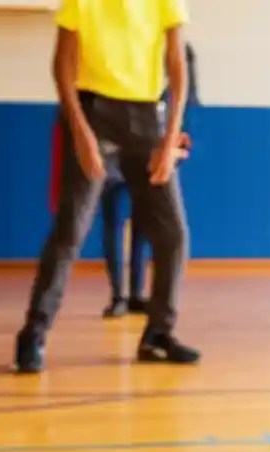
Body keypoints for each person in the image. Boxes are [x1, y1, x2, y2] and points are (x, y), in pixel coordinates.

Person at [15, 0, 198, 372]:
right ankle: (33, 333)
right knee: (71, 230)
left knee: (173, 234)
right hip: (93, 112)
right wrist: (80, 132)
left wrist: (169, 138)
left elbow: (177, 65)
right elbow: (63, 65)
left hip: (147, 118)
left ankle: (158, 335)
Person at [100, 42, 200, 319]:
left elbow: (184, 112)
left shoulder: (179, 62)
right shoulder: (125, 61)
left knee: (145, 223)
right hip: (116, 151)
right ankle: (118, 294)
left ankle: (134, 294)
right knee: (114, 222)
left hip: (154, 153)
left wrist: (177, 146)